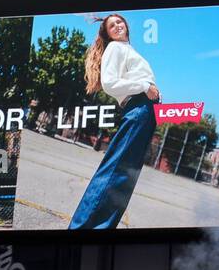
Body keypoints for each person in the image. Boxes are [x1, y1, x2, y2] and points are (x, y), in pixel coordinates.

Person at [68, 14, 159, 229]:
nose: (117, 26)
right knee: (114, 171)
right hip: (138, 108)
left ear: (126, 25)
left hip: (146, 112)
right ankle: (79, 227)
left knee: (126, 176)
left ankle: (103, 227)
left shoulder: (128, 50)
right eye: (111, 25)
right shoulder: (115, 49)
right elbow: (109, 83)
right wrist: (145, 87)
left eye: (119, 22)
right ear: (107, 33)